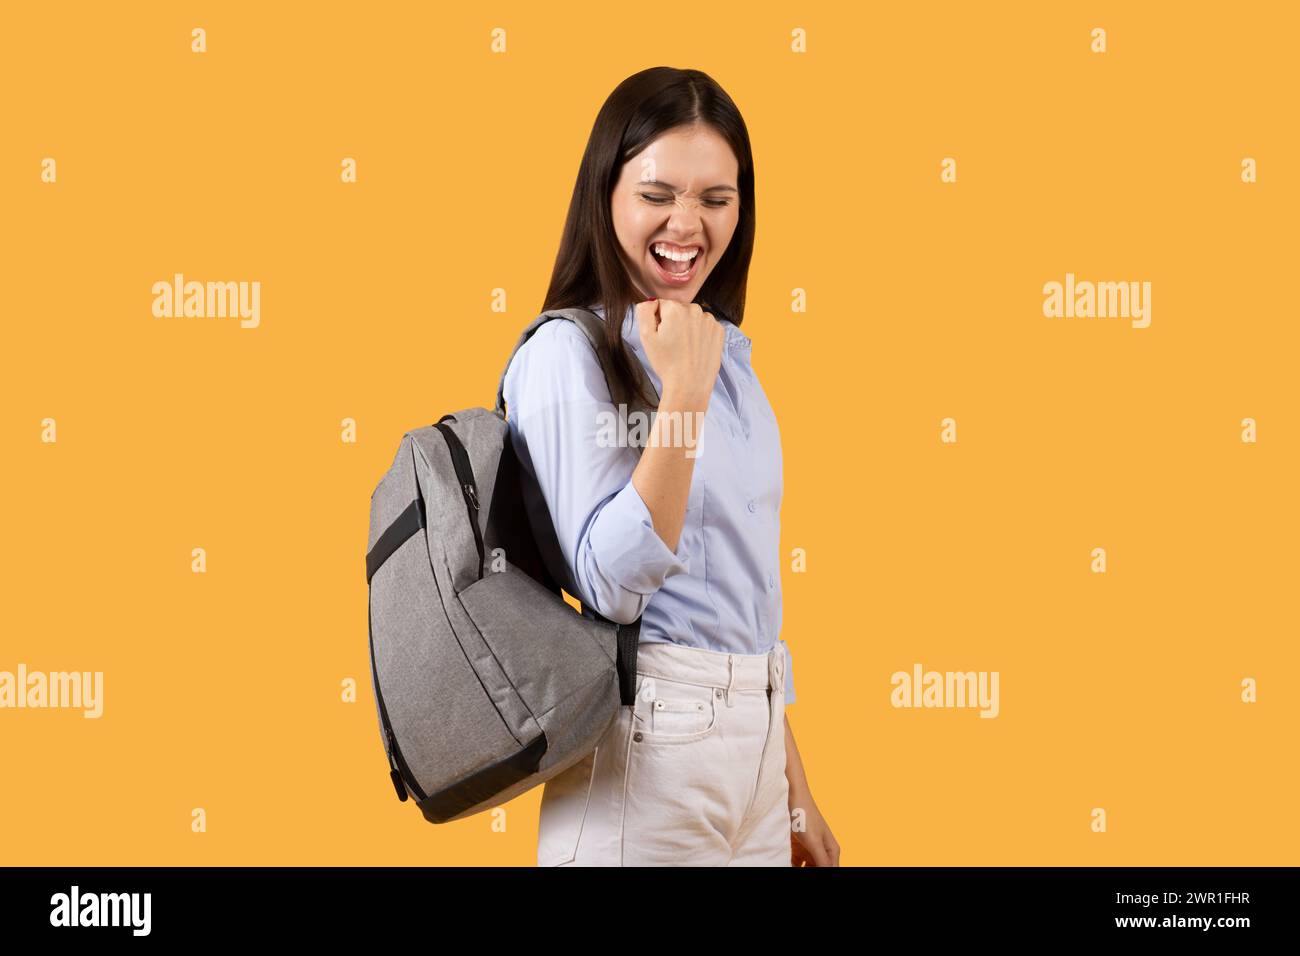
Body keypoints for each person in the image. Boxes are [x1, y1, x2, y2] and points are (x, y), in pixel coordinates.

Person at [501, 66, 839, 867]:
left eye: (716, 198)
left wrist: (792, 788)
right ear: (605, 196)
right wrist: (682, 393)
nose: (687, 224)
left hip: (755, 761)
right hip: (645, 756)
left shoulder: (728, 358)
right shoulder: (566, 355)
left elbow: (740, 605)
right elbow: (612, 586)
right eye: (657, 194)